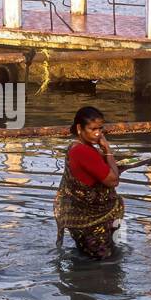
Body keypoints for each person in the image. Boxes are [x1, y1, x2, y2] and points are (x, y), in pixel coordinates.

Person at [54, 106, 125, 259]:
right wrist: (107, 150)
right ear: (80, 128)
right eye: (93, 129)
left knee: (89, 260)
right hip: (94, 224)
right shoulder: (83, 152)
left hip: (83, 221)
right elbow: (113, 181)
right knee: (104, 265)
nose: (98, 133)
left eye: (100, 128)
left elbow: (95, 174)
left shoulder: (76, 147)